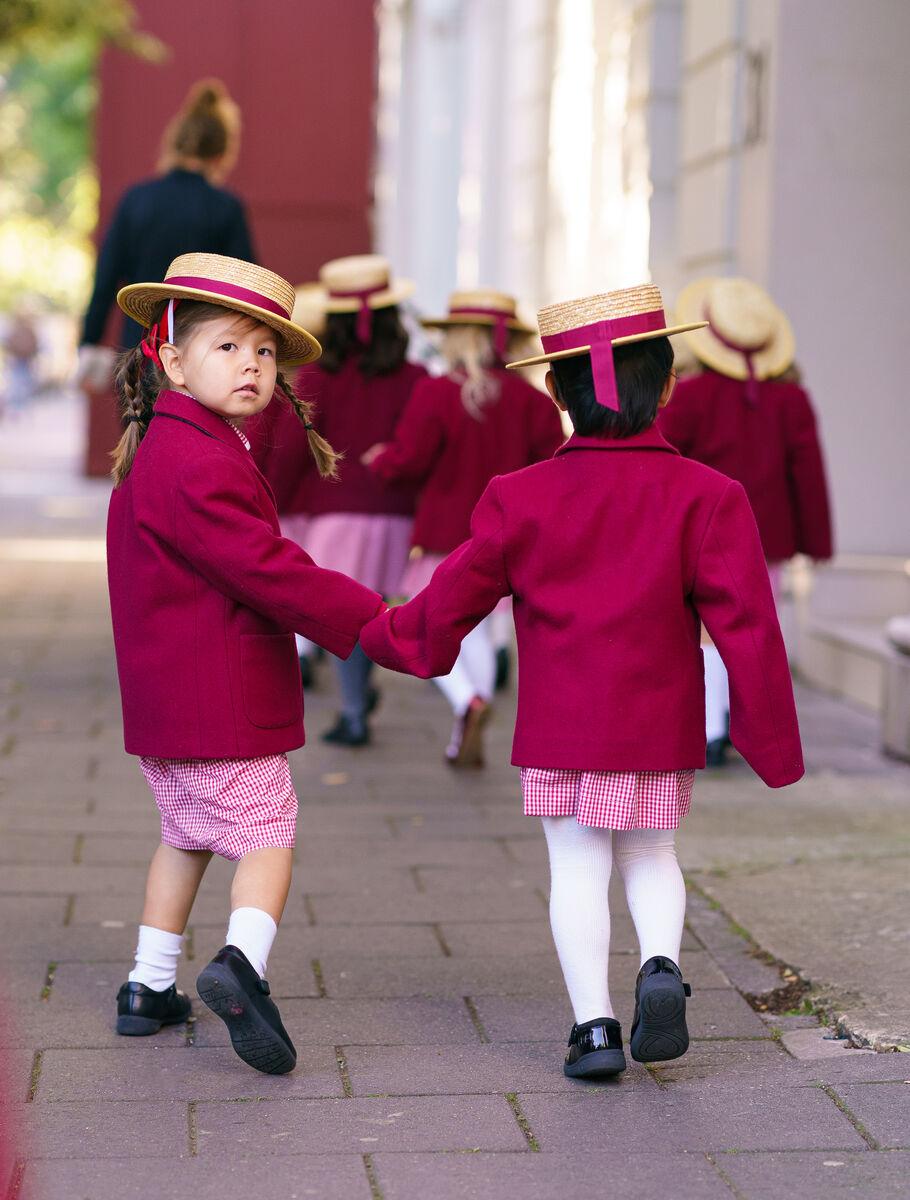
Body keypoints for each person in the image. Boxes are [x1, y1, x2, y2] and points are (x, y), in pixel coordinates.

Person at [360, 284, 804, 1081]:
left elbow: (452, 600)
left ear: (556, 393)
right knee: (653, 856)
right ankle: (661, 966)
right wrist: (768, 737)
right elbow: (751, 630)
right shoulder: (710, 496)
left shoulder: (518, 497)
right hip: (659, 721)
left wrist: (389, 634)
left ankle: (594, 1028)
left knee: (575, 869)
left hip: (563, 724)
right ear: (668, 387)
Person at [107, 253, 384, 1074]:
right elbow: (265, 568)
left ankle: (148, 986)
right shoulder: (198, 460)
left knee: (185, 835)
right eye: (228, 348)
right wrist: (367, 618)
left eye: (264, 352)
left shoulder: (169, 446)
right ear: (171, 359)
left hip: (168, 704)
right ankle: (242, 965)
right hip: (219, 698)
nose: (253, 367)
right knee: (267, 833)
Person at [362, 289, 564, 767]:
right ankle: (468, 720)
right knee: (488, 625)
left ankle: (466, 701)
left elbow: (410, 458)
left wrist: (380, 460)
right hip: (513, 533)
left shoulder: (436, 392)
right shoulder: (533, 402)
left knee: (428, 621)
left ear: (457, 339)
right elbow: (553, 470)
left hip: (446, 532)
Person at [251, 254, 426, 747]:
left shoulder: (318, 378)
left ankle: (353, 712)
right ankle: (361, 695)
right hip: (395, 514)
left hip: (335, 516)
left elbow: (292, 450)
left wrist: (269, 502)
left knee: (344, 616)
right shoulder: (415, 378)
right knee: (373, 608)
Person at [658, 277, 833, 765]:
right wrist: (815, 541)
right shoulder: (792, 400)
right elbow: (809, 473)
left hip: (701, 532)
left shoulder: (688, 396)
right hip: (768, 539)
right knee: (753, 629)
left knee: (703, 630)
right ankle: (743, 725)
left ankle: (710, 728)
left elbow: (666, 464)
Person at [77, 79, 254, 470]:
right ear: (222, 150)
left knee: (140, 460)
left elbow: (105, 278)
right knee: (196, 459)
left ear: (175, 143)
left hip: (139, 350)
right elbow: (243, 289)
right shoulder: (225, 208)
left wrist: (89, 344)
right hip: (202, 354)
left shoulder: (136, 200)